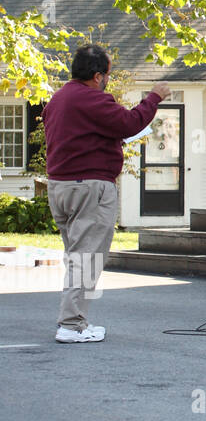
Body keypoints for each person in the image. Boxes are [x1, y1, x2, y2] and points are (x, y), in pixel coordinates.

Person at [43, 45, 169, 342]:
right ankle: (71, 325)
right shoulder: (92, 99)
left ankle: (75, 321)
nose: (108, 80)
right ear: (98, 76)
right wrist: (154, 98)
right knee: (87, 257)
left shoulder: (59, 99)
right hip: (90, 187)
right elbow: (129, 123)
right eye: (107, 74)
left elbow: (81, 136)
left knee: (76, 255)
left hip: (60, 185)